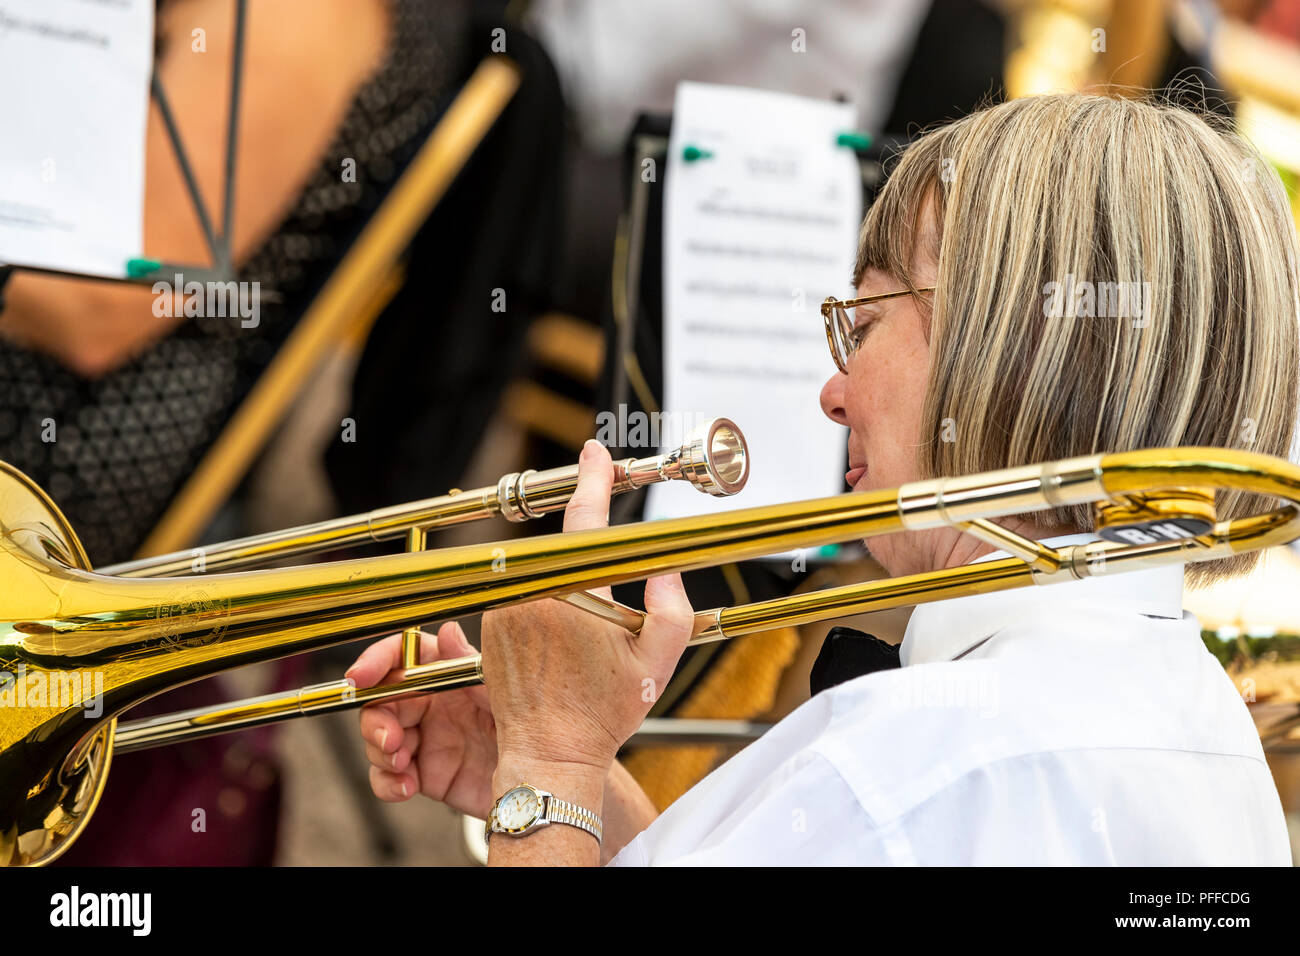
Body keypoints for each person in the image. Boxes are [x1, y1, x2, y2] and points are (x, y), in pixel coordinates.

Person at [348, 92, 1299, 865]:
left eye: (865, 323)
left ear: (1004, 345)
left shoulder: (909, 769)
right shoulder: (1208, 725)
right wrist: (578, 789)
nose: (833, 393)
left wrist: (546, 769)